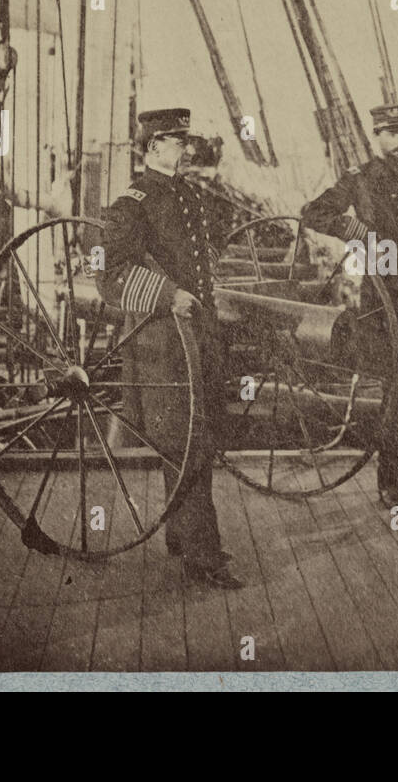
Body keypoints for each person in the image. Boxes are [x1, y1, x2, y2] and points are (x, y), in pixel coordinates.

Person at [97, 107, 243, 589]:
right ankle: (203, 556)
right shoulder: (132, 203)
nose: (185, 148)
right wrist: (166, 295)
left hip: (196, 339)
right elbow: (109, 276)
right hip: (160, 344)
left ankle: (183, 535)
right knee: (186, 444)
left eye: (185, 140)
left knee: (189, 439)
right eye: (177, 141)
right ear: (153, 147)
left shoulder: (188, 195)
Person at [301, 103, 398, 509]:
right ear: (378, 137)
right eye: (390, 134)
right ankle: (389, 483)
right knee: (395, 394)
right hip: (385, 303)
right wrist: (355, 230)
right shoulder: (362, 178)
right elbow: (313, 212)